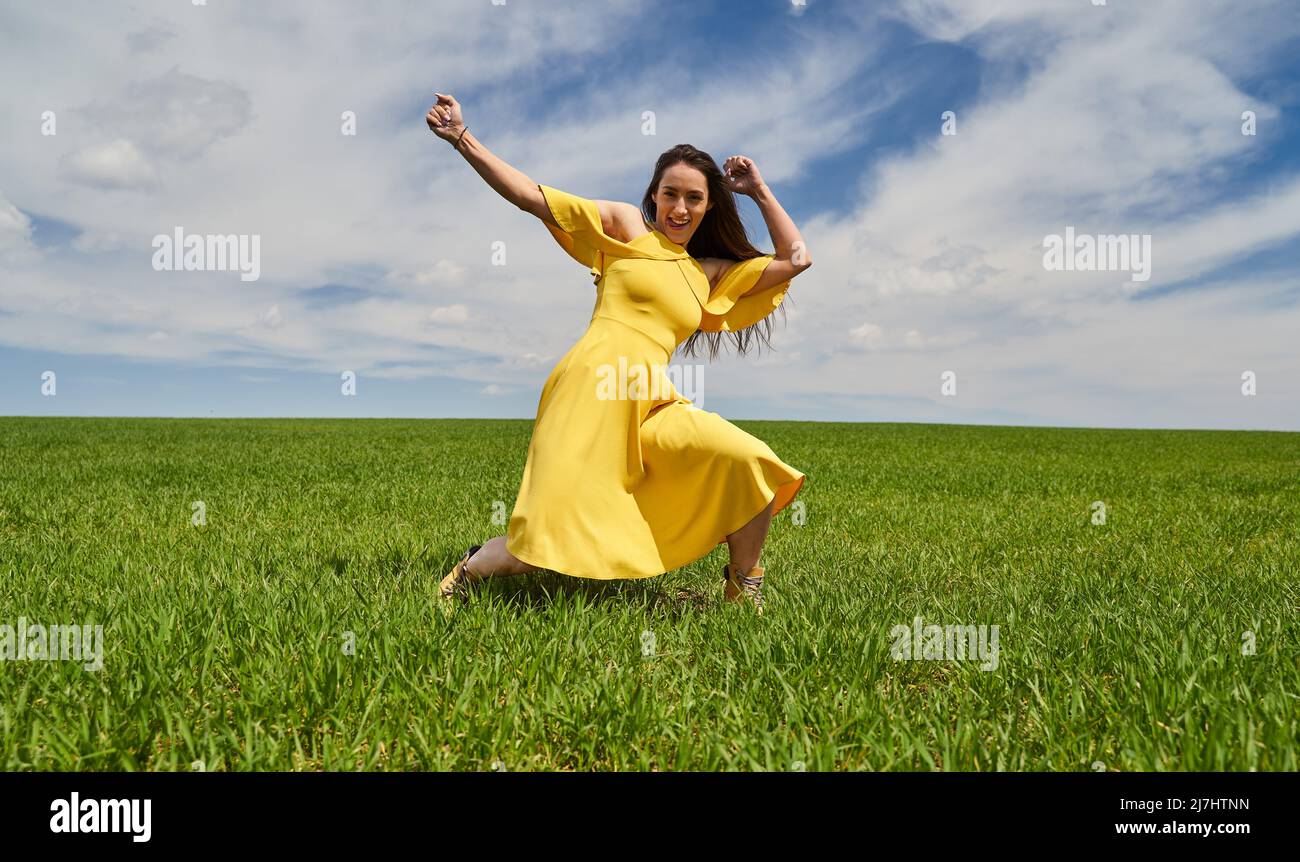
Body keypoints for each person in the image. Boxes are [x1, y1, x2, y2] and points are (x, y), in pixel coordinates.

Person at [427, 92, 812, 613]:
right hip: (589, 389)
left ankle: (743, 588)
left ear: (709, 206)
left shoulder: (709, 274)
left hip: (650, 400)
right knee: (541, 547)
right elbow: (531, 197)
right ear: (654, 196)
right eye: (669, 194)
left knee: (749, 462)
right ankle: (472, 567)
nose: (680, 208)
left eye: (694, 198)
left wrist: (760, 191)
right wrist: (462, 139)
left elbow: (796, 258)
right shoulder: (626, 228)